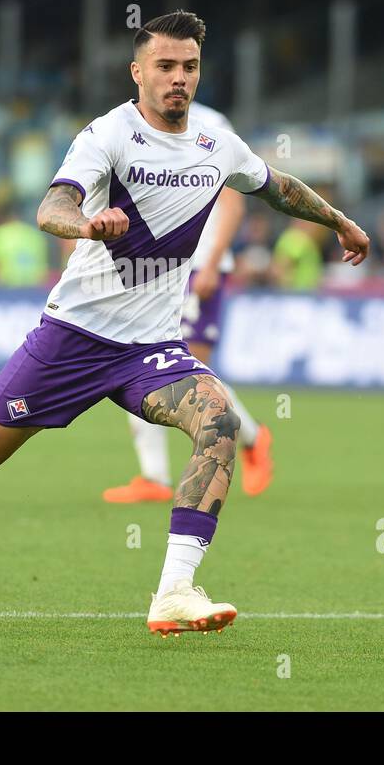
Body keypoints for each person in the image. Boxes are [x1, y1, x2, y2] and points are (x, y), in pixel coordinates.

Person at [0, 10, 370, 636]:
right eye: (164, 66)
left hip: (150, 348)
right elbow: (53, 205)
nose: (178, 78)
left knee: (217, 420)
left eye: (188, 67)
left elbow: (277, 187)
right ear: (138, 73)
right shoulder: (108, 136)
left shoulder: (219, 146)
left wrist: (339, 221)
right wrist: (85, 225)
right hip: (72, 340)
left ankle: (174, 592)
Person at [101, 101, 274, 503]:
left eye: (184, 66)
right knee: (136, 357)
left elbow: (233, 201)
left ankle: (251, 436)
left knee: (192, 367)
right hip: (152, 267)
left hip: (199, 266)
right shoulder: (131, 123)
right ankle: (154, 477)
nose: (175, 78)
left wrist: (214, 262)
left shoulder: (213, 125)